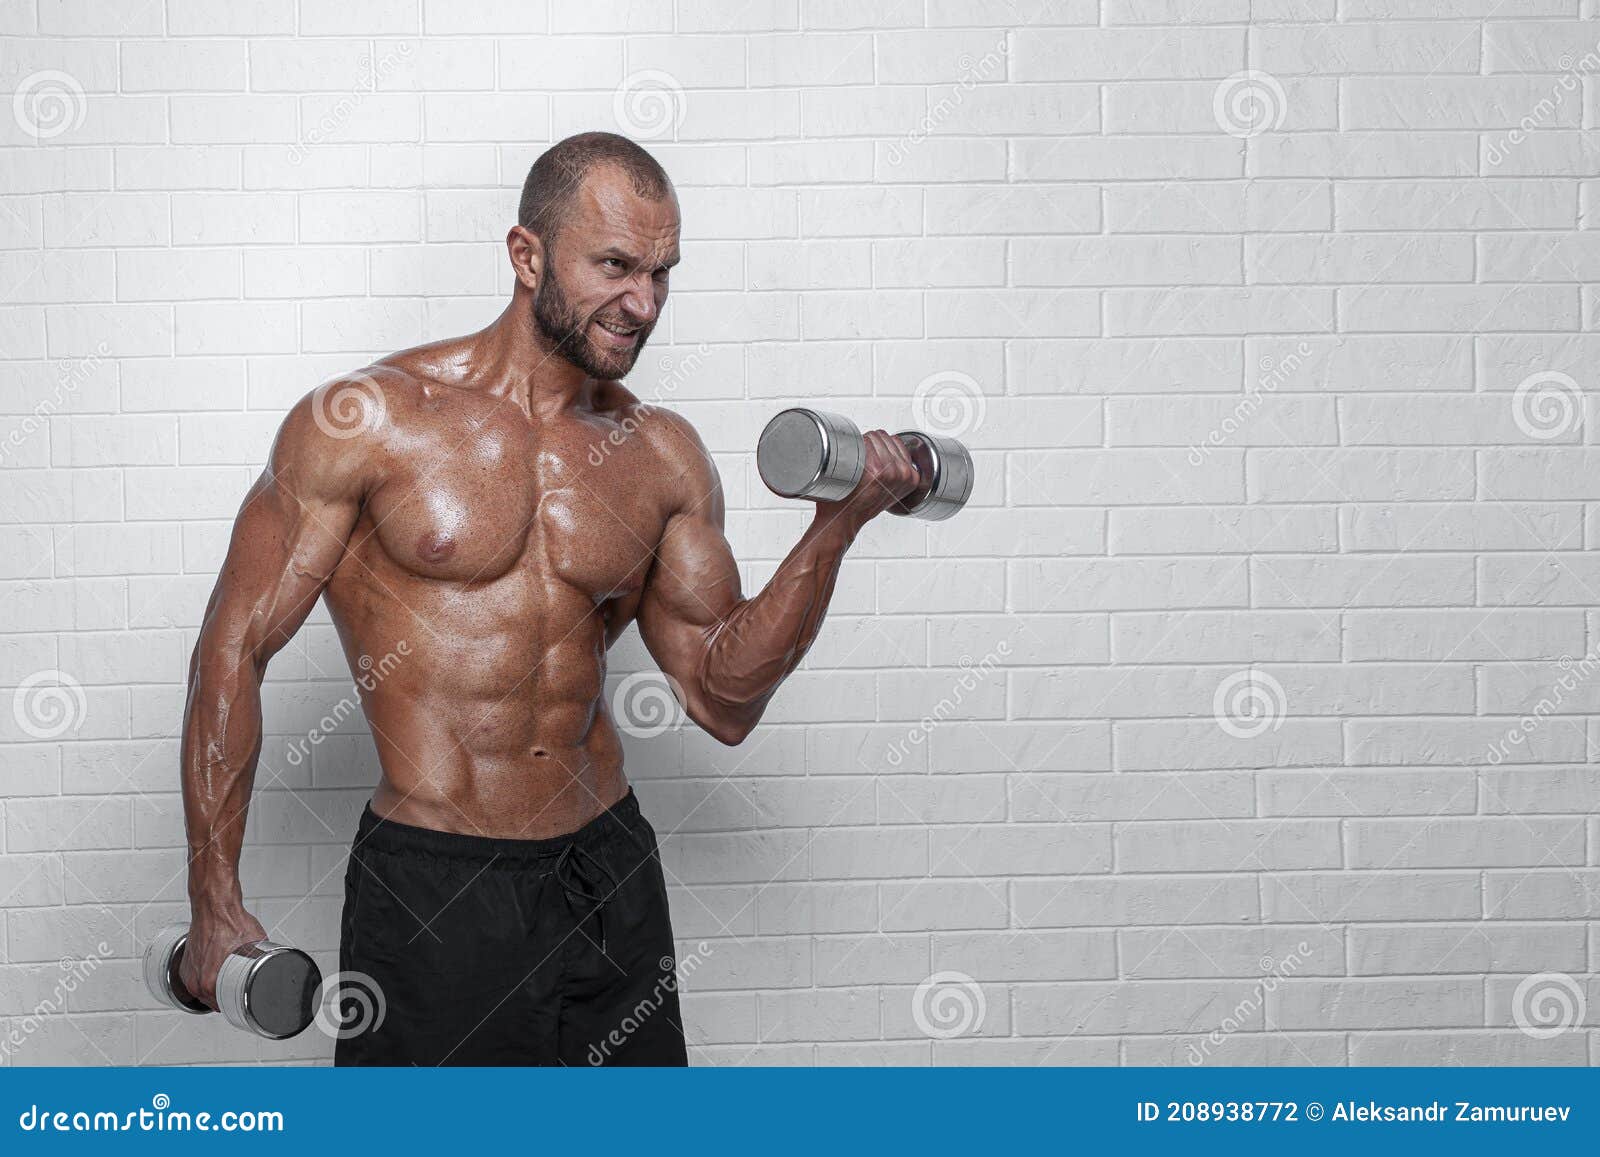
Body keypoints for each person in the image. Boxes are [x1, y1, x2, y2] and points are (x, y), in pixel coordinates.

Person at [175, 131, 921, 1065]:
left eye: (661, 272)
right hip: (438, 885)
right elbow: (232, 647)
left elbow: (725, 698)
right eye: (615, 265)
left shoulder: (661, 454)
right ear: (527, 256)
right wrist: (214, 899)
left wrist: (835, 530)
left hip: (608, 871)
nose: (642, 303)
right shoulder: (367, 422)